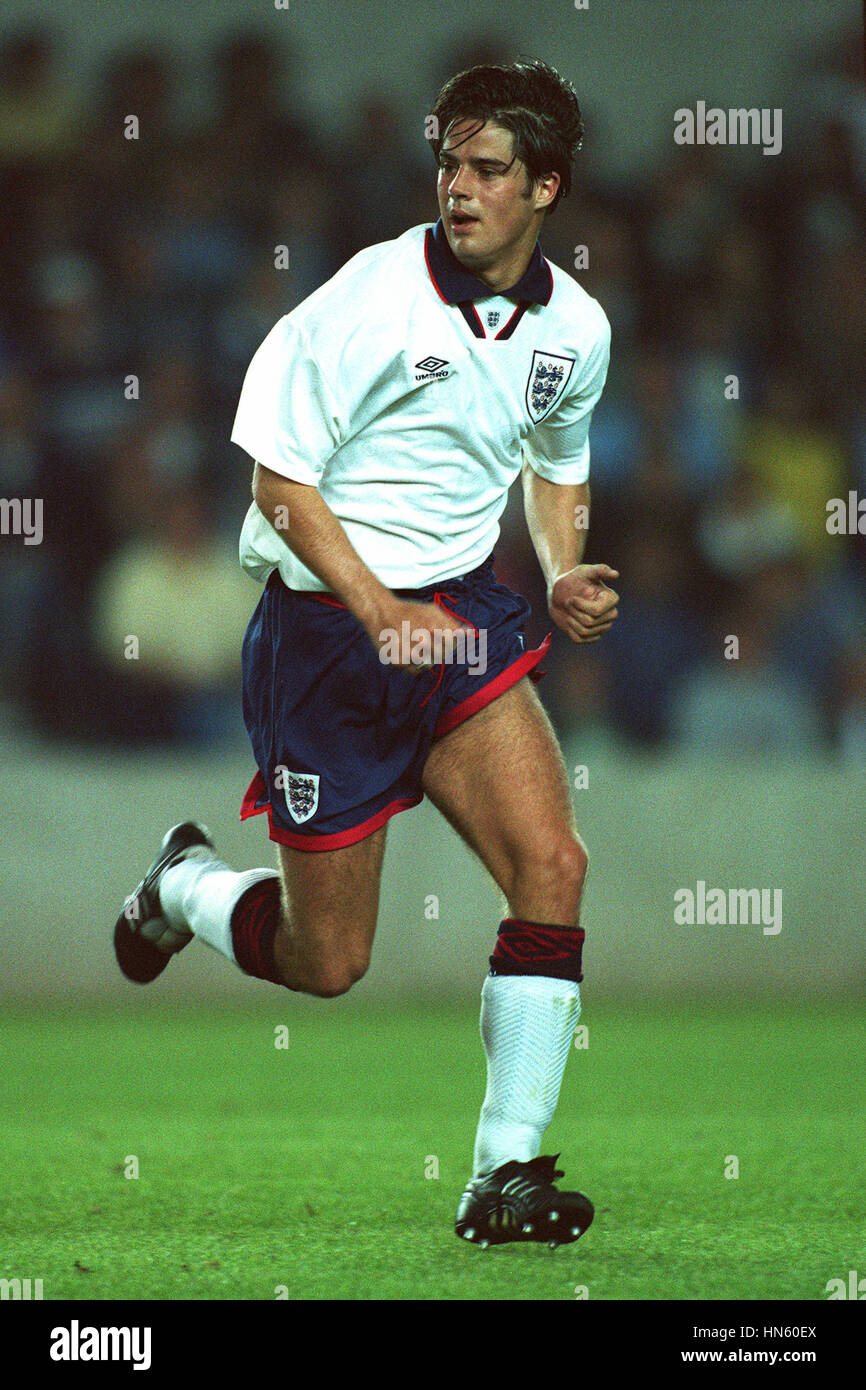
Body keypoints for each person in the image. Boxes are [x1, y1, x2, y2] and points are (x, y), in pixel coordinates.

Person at [113, 60, 619, 1249]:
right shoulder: (363, 303)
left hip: (457, 622)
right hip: (328, 638)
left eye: (488, 168)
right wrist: (376, 606)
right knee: (326, 963)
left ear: (544, 185)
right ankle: (183, 885)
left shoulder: (577, 330)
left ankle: (503, 1175)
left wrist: (554, 572)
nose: (458, 185)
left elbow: (556, 464)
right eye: (448, 161)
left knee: (552, 862)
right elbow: (278, 484)